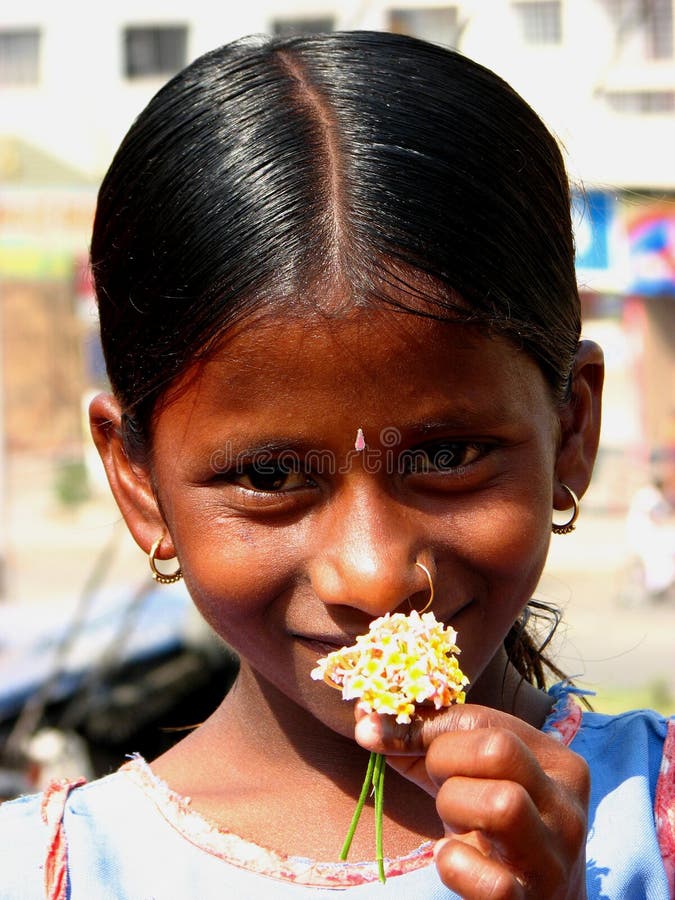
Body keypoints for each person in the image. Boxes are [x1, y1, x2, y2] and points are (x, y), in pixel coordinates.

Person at [0, 30, 672, 900]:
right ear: (140, 485)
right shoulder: (51, 873)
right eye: (273, 476)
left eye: (444, 455)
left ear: (571, 429)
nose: (375, 575)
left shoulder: (649, 822)